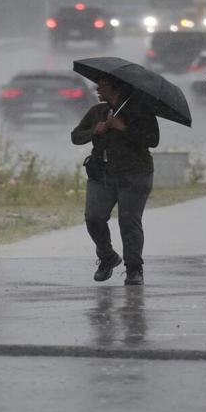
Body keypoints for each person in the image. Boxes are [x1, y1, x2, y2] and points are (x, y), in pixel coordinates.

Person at [71, 75, 159, 285]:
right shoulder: (97, 112)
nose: (97, 90)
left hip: (135, 173)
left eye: (101, 86)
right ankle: (107, 257)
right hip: (101, 173)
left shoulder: (140, 110)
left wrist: (123, 128)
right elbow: (75, 136)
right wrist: (95, 129)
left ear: (116, 89)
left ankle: (134, 269)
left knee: (128, 221)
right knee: (94, 217)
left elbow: (152, 140)